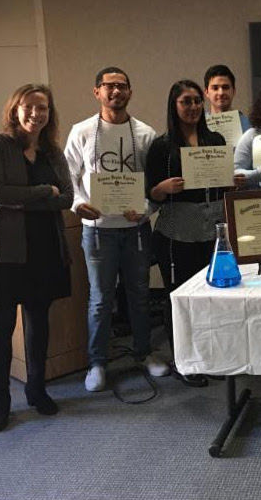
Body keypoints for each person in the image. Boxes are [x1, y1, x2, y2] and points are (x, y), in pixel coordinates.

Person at [64, 67, 169, 393]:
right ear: (97, 91)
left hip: (136, 229)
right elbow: (68, 176)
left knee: (139, 295)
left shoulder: (145, 134)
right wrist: (77, 204)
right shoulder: (82, 131)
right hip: (98, 231)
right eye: (109, 86)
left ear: (130, 92)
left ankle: (144, 352)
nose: (116, 91)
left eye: (122, 86)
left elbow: (154, 183)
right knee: (100, 299)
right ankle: (97, 362)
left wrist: (147, 209)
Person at [0, 84, 73, 432]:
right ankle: (1, 398)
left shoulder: (52, 152)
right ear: (15, 109)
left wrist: (27, 199)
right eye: (29, 106)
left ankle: (36, 388)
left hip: (44, 246)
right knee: (0, 329)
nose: (36, 113)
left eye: (42, 107)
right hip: (5, 249)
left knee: (38, 322)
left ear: (50, 113)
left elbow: (67, 198)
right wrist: (44, 192)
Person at [146, 79, 236, 386]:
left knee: (211, 297)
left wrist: (232, 181)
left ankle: (208, 357)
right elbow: (150, 194)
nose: (194, 107)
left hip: (212, 232)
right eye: (186, 101)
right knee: (181, 299)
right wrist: (162, 188)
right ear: (174, 106)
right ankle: (184, 361)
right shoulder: (161, 146)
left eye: (197, 100)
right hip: (177, 233)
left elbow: (222, 186)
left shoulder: (215, 139)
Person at [203, 64, 251, 132]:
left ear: (233, 91)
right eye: (215, 88)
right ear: (206, 92)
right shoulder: (199, 125)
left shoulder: (249, 126)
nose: (221, 93)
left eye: (225, 87)